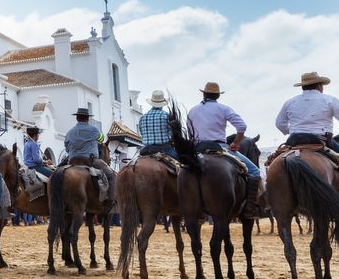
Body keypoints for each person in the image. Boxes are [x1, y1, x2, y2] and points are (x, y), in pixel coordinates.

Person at [186, 82, 261, 216]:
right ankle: (250, 207)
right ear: (218, 96)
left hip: (198, 149)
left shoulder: (193, 110)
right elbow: (242, 126)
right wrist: (236, 143)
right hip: (219, 148)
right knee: (255, 171)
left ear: (204, 94)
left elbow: (190, 133)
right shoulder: (224, 109)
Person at [63, 108, 116, 207]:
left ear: (77, 118)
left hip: (72, 161)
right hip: (90, 161)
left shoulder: (69, 132)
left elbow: (67, 148)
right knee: (111, 176)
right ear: (88, 119)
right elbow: (101, 139)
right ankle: (110, 201)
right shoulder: (94, 130)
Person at [274, 71, 339, 151]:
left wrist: (293, 130)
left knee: (275, 156)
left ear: (303, 87)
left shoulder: (290, 102)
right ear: (319, 86)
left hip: (295, 139)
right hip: (322, 139)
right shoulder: (330, 100)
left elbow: (279, 123)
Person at [138, 90, 178, 159]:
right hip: (164, 149)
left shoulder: (142, 117)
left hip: (147, 150)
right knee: (181, 162)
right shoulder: (166, 116)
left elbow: (142, 133)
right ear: (162, 104)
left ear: (152, 103)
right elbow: (171, 134)